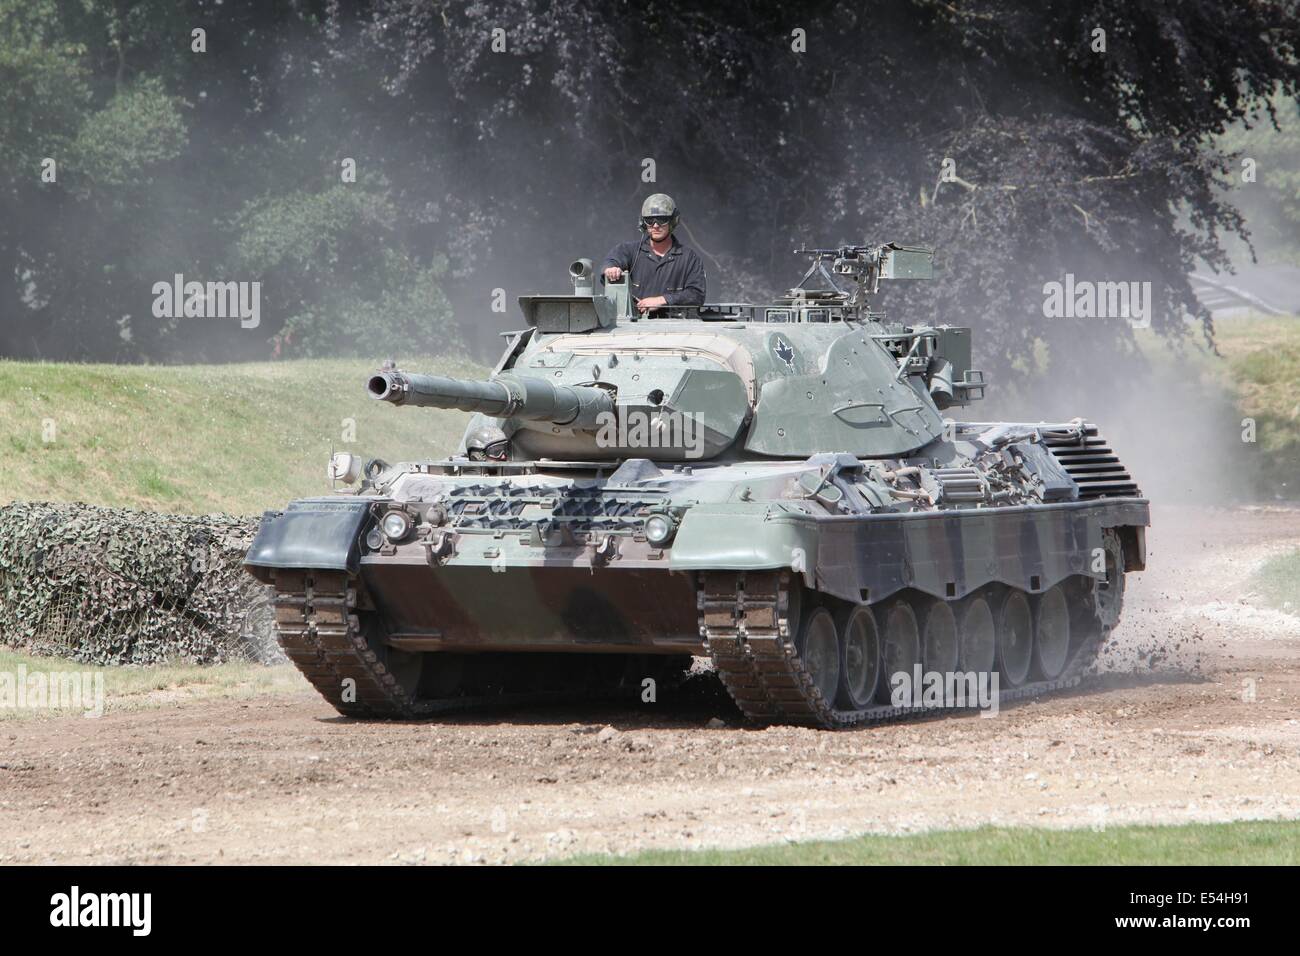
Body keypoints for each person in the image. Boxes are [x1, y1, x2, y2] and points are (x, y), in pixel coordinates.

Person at [601, 194, 706, 313]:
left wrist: (663, 300)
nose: (655, 226)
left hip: (675, 327)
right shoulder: (628, 250)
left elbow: (696, 295)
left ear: (673, 221)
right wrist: (610, 269)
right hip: (636, 326)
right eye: (649, 220)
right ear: (642, 223)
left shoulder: (689, 258)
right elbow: (611, 261)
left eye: (662, 220)